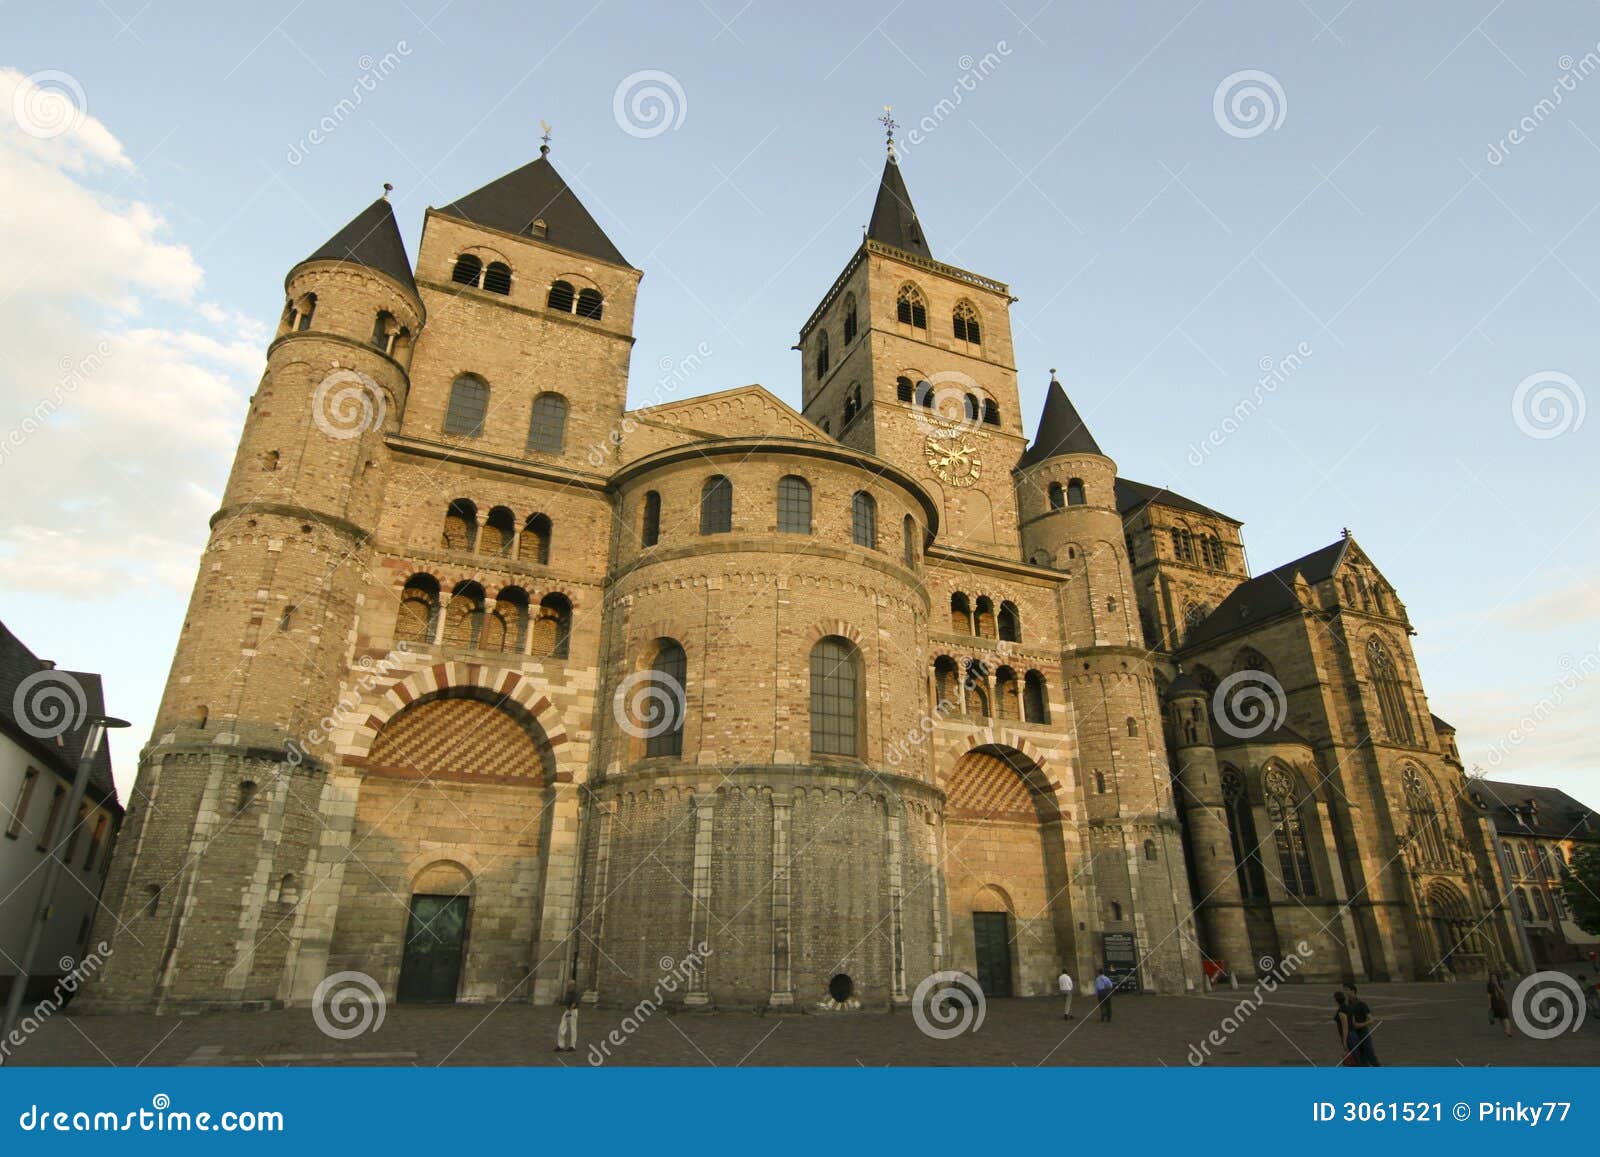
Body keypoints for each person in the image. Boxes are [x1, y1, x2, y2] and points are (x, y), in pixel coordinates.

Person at [1342, 981, 1381, 1066]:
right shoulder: (1346, 1006)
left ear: (1353, 991)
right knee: (1360, 1058)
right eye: (1344, 990)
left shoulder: (1361, 1004)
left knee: (1370, 1055)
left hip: (1363, 1033)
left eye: (1346, 990)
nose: (1345, 992)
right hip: (1353, 1035)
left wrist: (1360, 1025)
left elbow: (1371, 1020)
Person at [555, 979, 580, 1052]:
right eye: (568, 984)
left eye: (569, 984)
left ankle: (572, 1046)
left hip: (573, 1011)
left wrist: (570, 1012)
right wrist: (567, 1011)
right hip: (568, 1010)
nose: (568, 985)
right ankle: (560, 1045)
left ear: (573, 985)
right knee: (561, 1027)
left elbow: (574, 1003)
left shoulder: (576, 992)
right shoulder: (568, 991)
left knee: (573, 1029)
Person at [1332, 991, 1357, 1065]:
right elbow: (1353, 1022)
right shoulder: (1349, 1007)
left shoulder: (1341, 1011)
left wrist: (1344, 1041)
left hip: (1349, 1036)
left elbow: (1345, 1027)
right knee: (1354, 1059)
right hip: (1354, 1034)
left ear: (1336, 1000)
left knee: (1351, 1061)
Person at [1486, 972, 1512, 1037]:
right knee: (1500, 1018)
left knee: (1505, 1017)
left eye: (1494, 977)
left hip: (1501, 1002)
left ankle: (1508, 1031)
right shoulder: (1489, 984)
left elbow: (1502, 994)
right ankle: (1505, 1030)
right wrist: (1489, 1005)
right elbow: (1489, 995)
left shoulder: (1500, 983)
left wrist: (1497, 985)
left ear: (1497, 977)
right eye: (1492, 977)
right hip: (1494, 1003)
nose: (1493, 978)